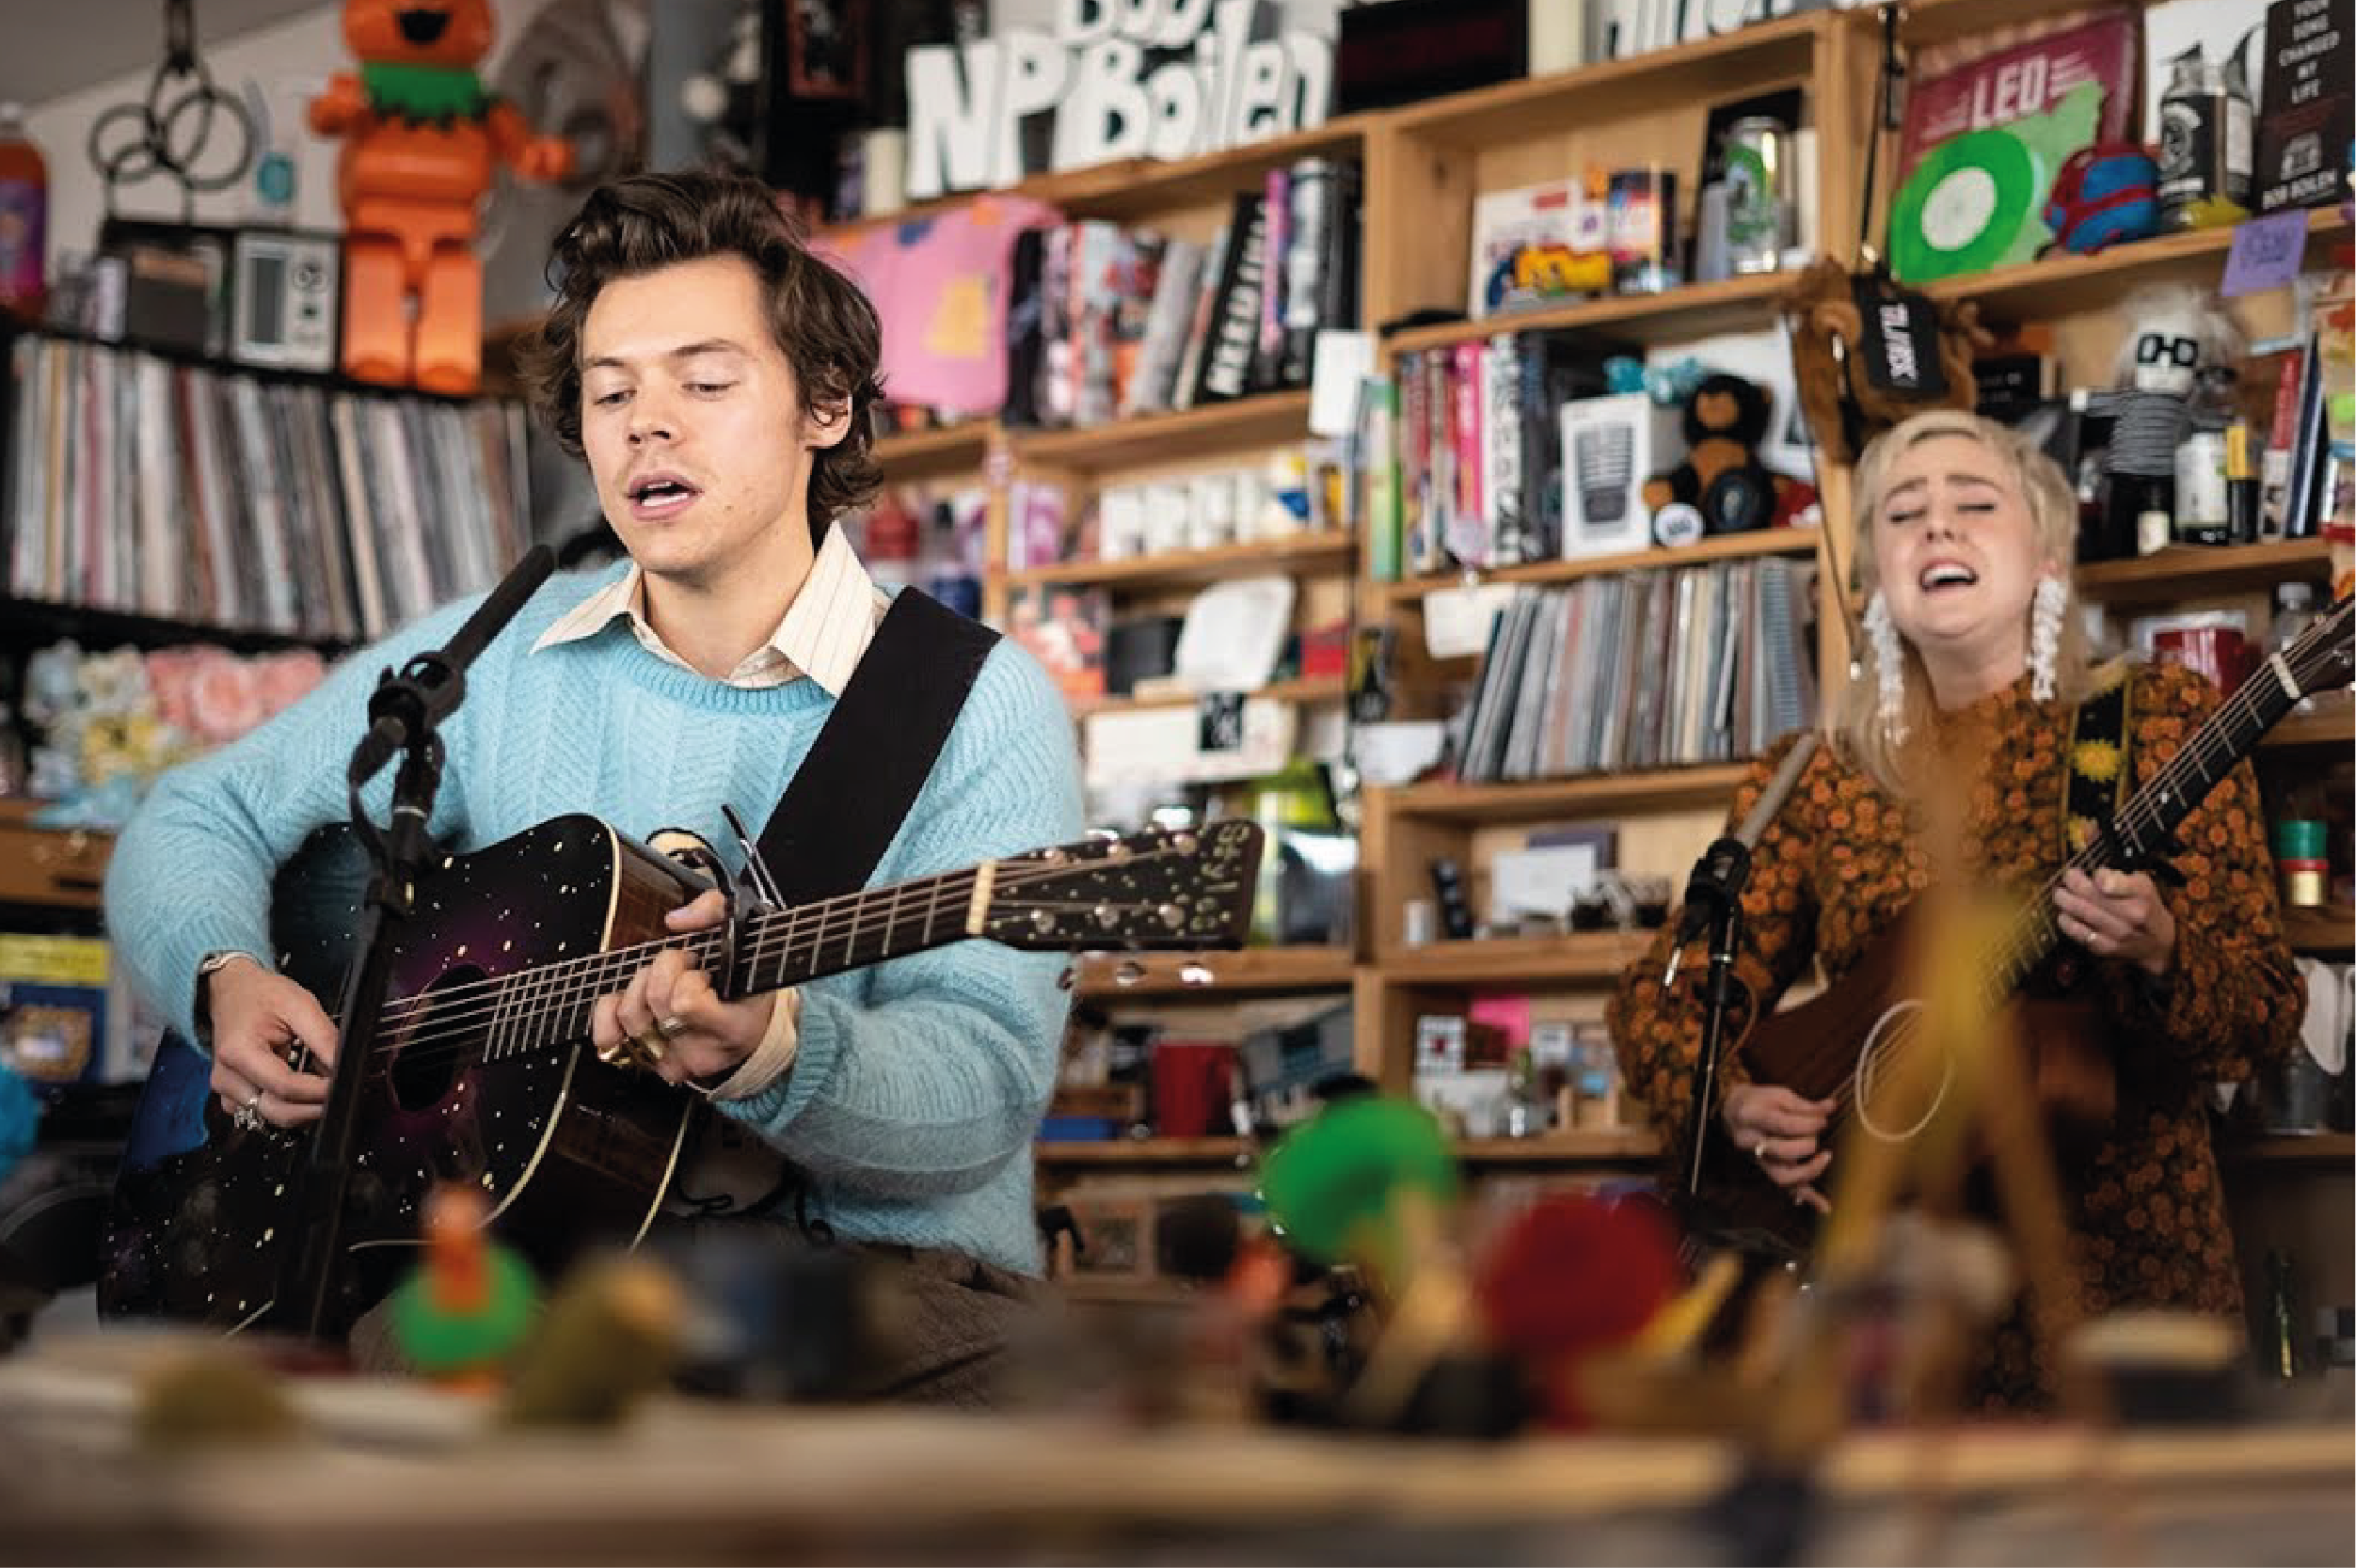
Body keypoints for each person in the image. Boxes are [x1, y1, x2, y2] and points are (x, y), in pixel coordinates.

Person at [102, 169, 1084, 1402]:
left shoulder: (972, 701)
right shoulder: (502, 652)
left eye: (704, 382)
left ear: (825, 404)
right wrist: (224, 977)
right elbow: (200, 812)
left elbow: (981, 1092)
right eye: (611, 391)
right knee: (379, 1375)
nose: (645, 425)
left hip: (876, 1280)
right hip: (542, 1267)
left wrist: (772, 1050)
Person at [1608, 408, 2303, 1407]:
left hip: (2121, 1286)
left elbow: (2266, 1014)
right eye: (1903, 513)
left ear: (2047, 556)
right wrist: (1731, 1098)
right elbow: (1660, 1000)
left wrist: (2161, 950)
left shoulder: (2157, 722)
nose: (1937, 526)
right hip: (1885, 1317)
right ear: (1871, 580)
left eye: (1974, 503)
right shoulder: (1814, 777)